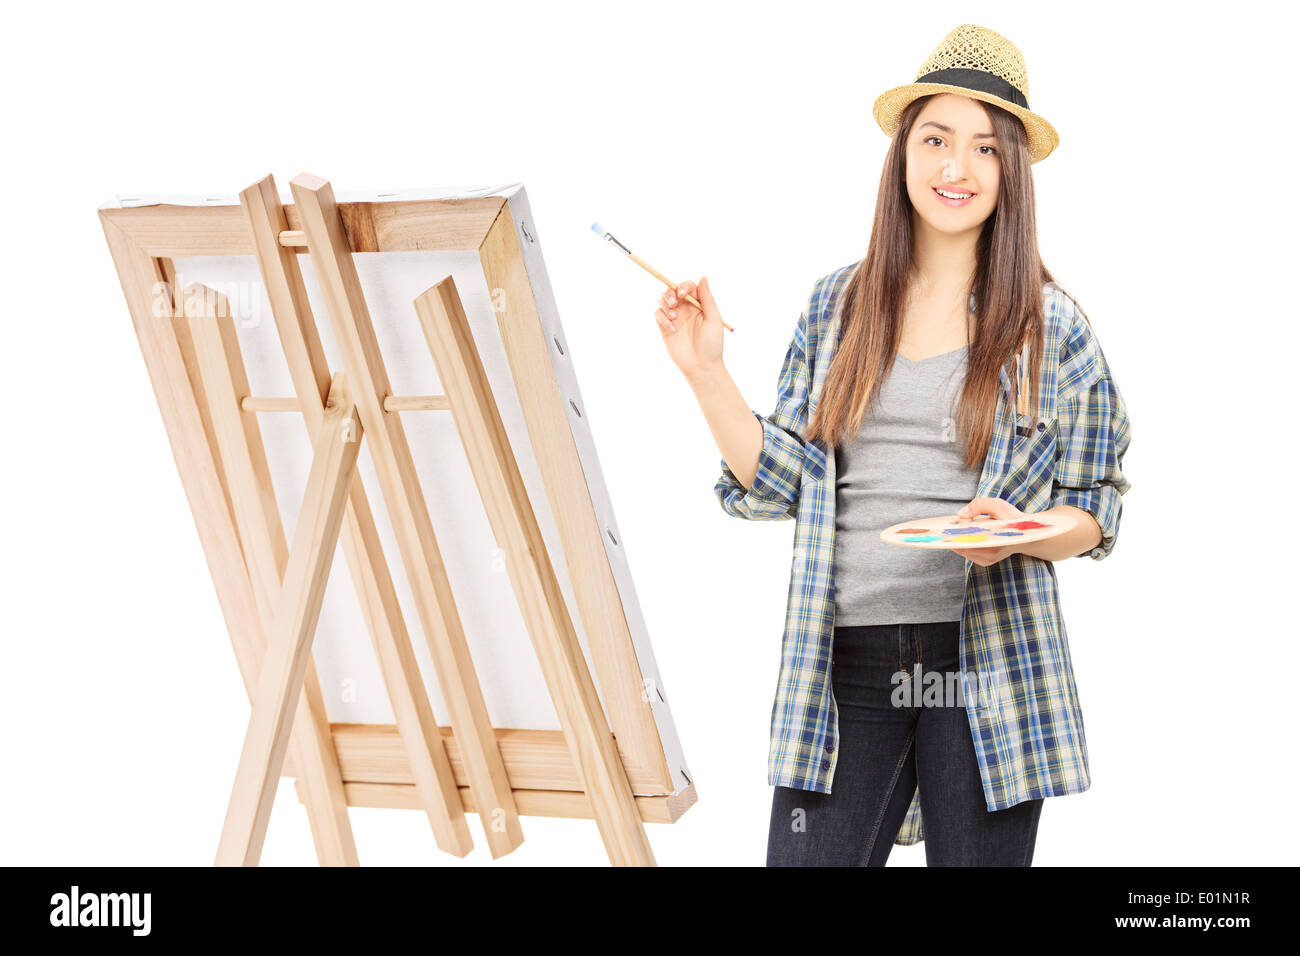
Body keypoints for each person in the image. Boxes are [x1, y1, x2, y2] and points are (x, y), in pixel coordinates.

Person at [652, 24, 1132, 866]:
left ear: (1010, 173)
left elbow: (1096, 506)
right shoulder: (837, 305)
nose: (957, 168)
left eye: (985, 149)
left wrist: (1018, 533)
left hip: (984, 665)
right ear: (903, 154)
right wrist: (705, 374)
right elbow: (779, 484)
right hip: (845, 664)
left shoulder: (1051, 328)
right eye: (937, 139)